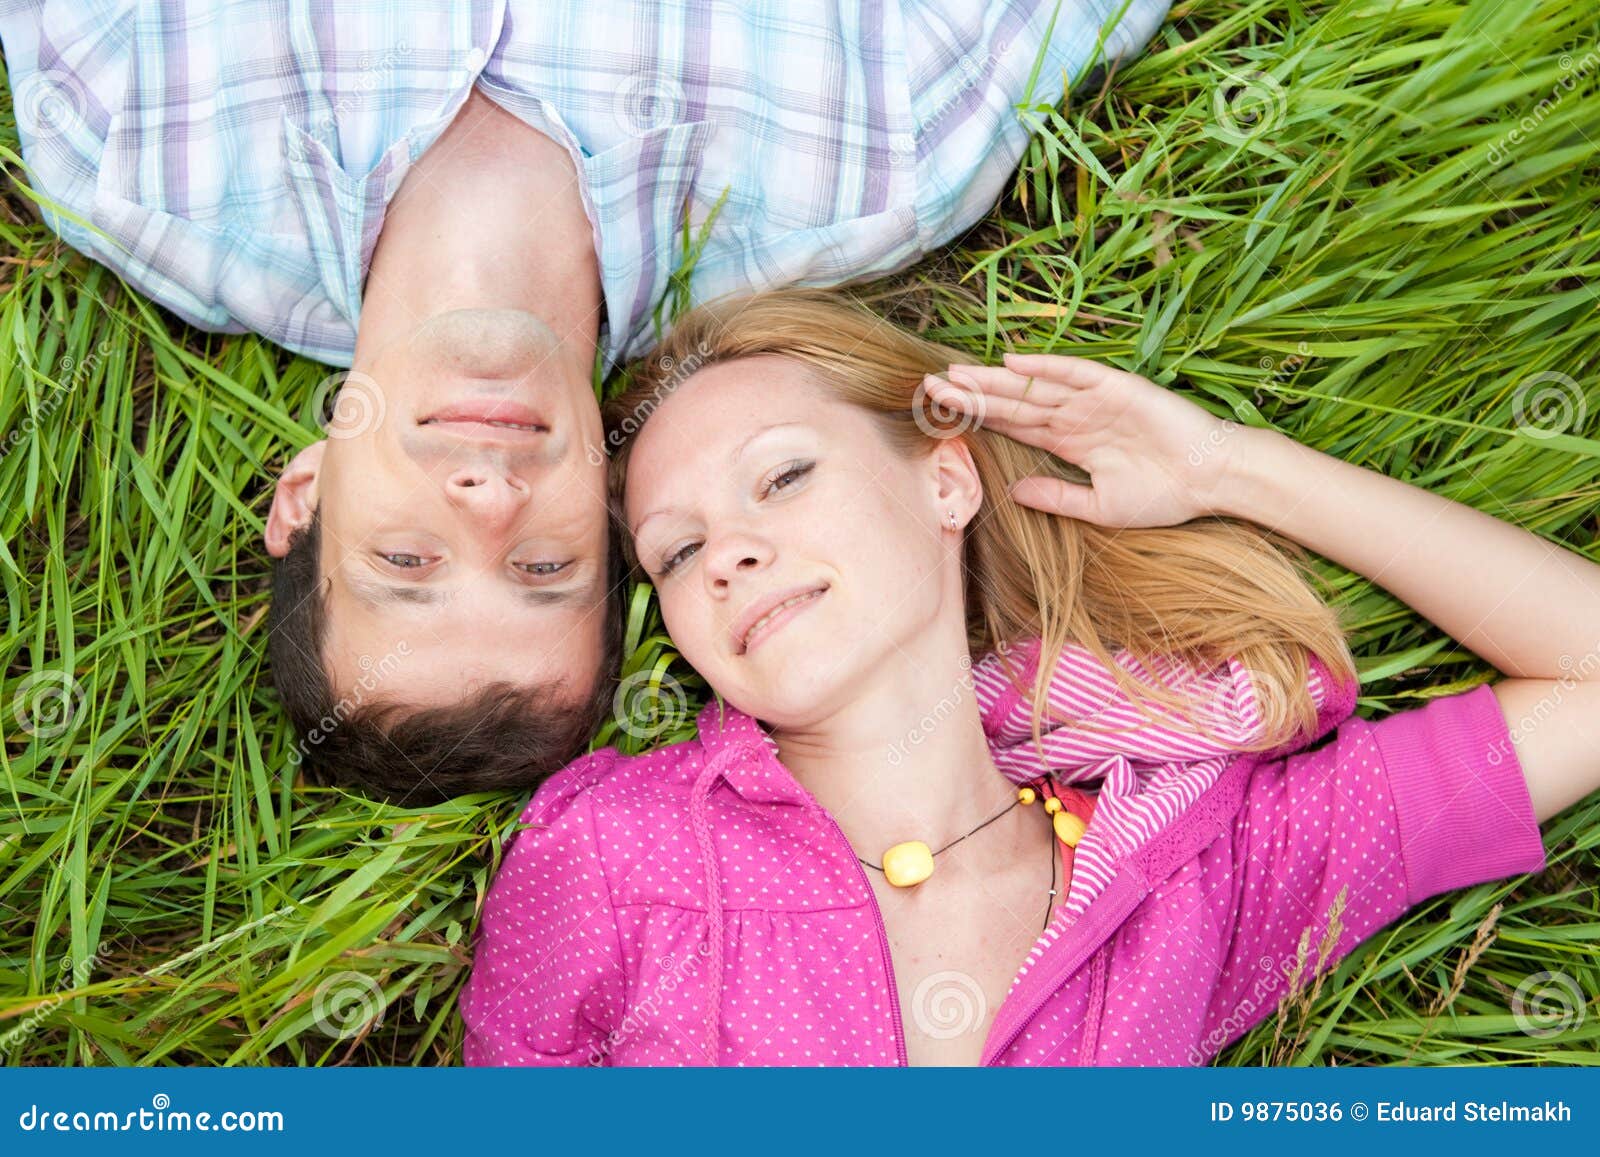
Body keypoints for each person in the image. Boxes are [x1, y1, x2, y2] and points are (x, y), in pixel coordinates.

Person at [0, 0, 1171, 801]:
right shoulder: (885, 166)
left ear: (304, 496)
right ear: (615, 509)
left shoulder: (125, 167)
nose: (485, 498)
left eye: (406, 560)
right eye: (542, 569)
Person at [458, 289, 1595, 1066]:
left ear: (945, 484)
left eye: (785, 475)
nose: (733, 553)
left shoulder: (1200, 873)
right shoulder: (607, 854)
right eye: (677, 549)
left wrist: (1226, 466)